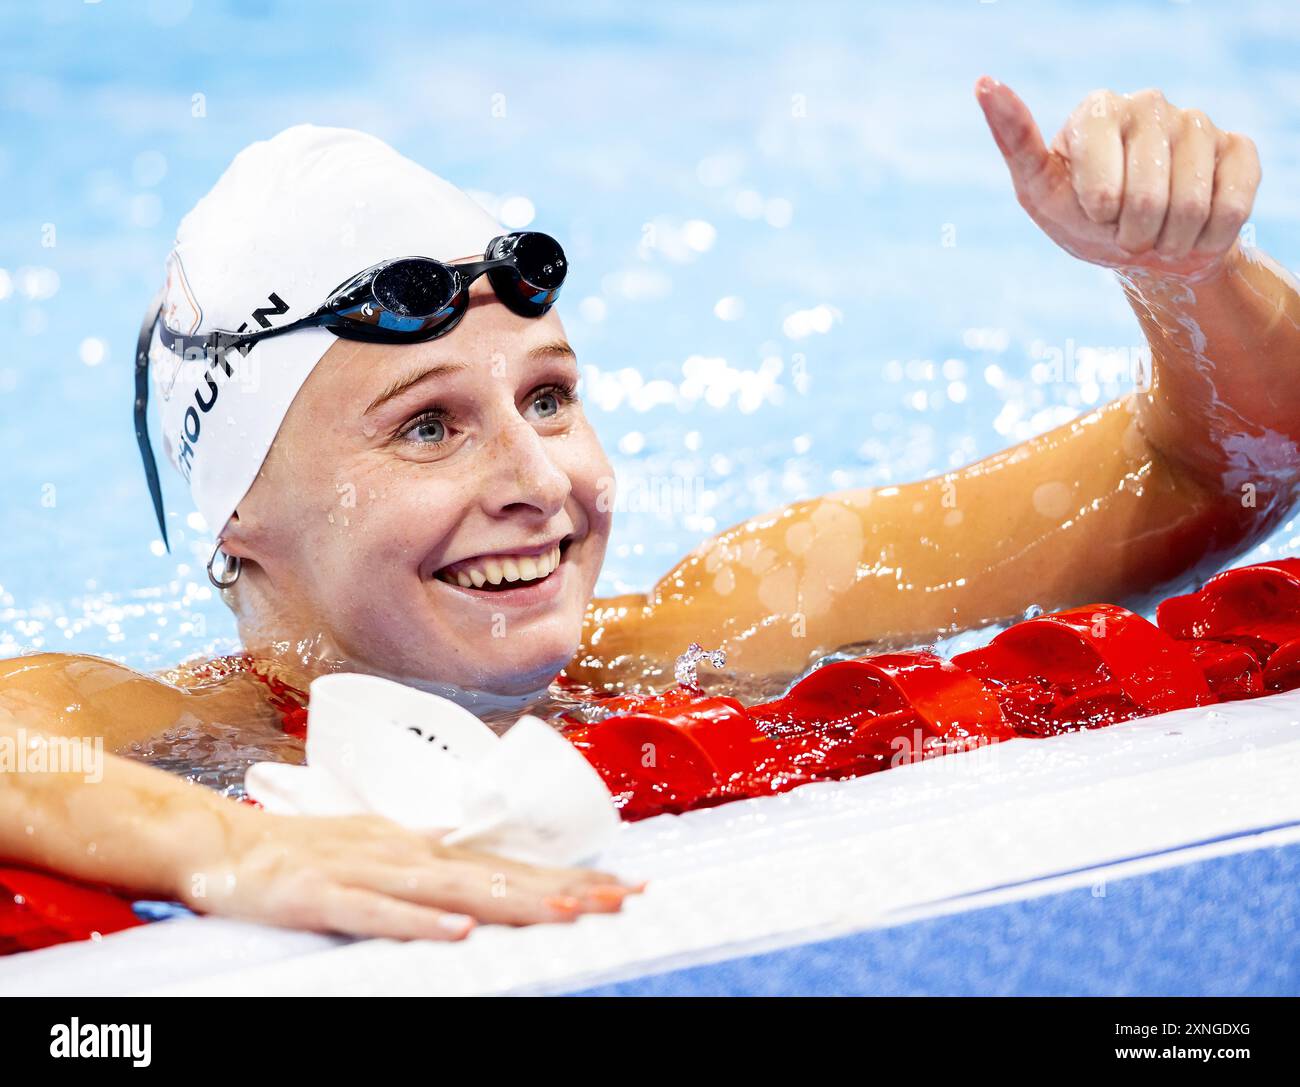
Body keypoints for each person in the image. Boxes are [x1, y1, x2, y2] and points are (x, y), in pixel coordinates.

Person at [3, 78, 1298, 942]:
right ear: (237, 520)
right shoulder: (187, 735)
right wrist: (219, 851)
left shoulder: (725, 622)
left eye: (550, 399)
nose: (538, 483)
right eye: (430, 425)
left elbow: (1218, 470)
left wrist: (1187, 277)